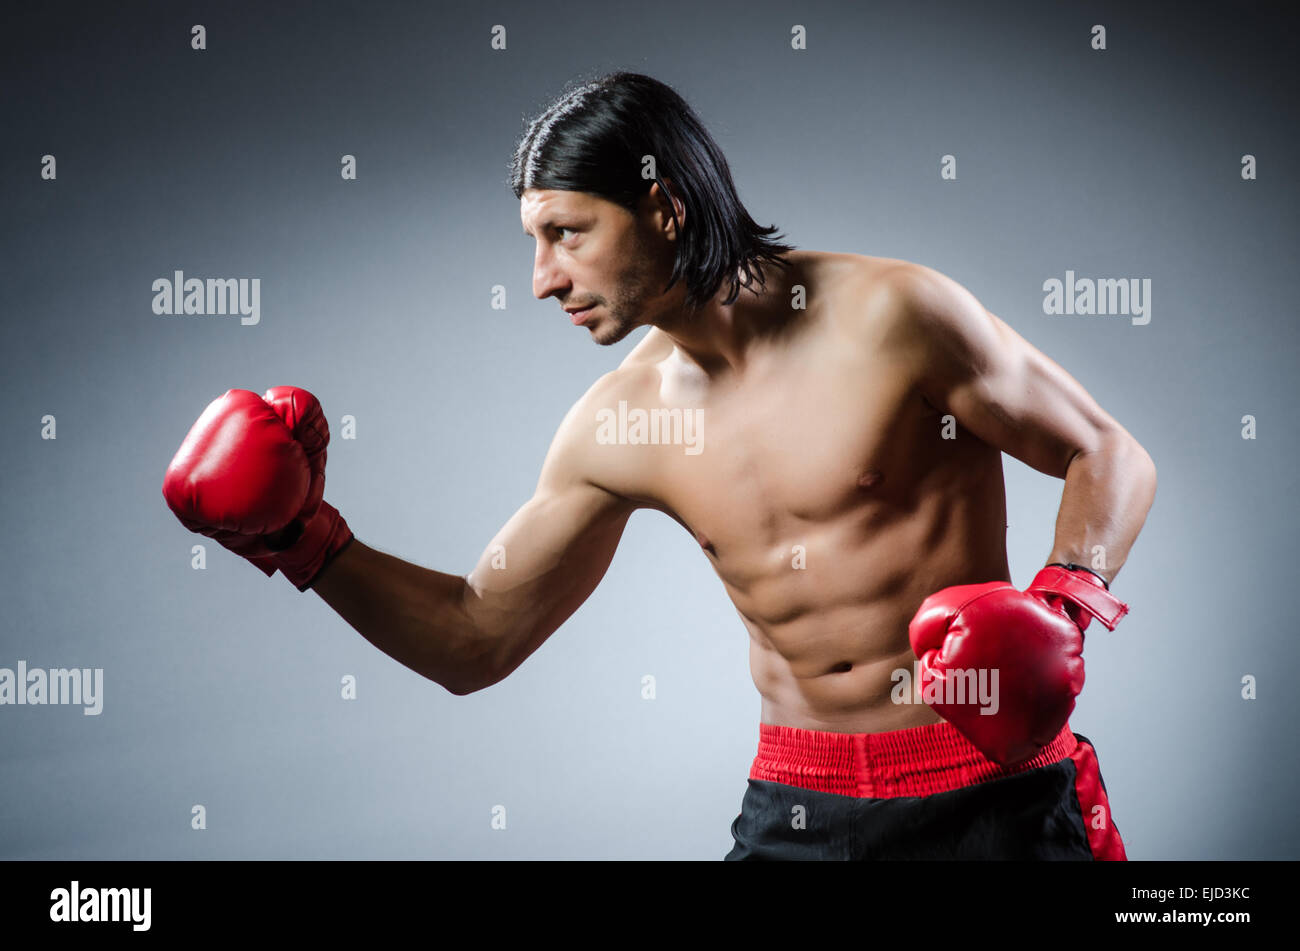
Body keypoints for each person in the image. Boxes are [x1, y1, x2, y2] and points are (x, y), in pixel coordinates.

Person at [162, 72, 1156, 860]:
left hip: (989, 787)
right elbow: (475, 638)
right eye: (533, 241)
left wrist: (1063, 604)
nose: (542, 279)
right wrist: (306, 542)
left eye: (567, 235)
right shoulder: (617, 426)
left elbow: (1105, 451)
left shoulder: (892, 317)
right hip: (798, 808)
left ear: (665, 207)